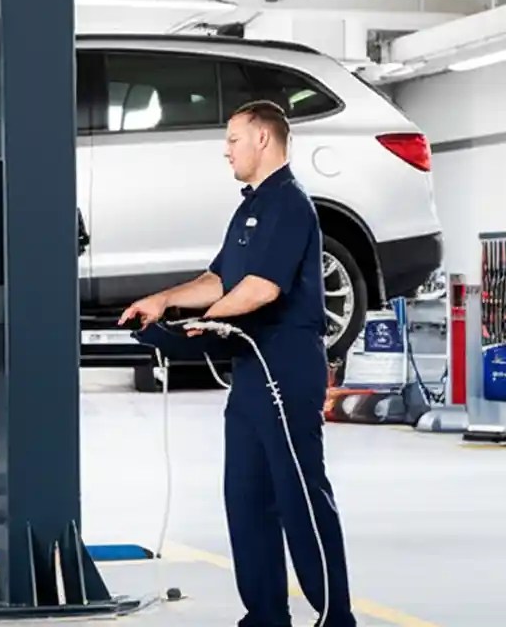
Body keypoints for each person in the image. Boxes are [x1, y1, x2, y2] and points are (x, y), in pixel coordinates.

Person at [119, 100, 356, 627]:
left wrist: (208, 321)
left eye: (233, 138)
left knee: (299, 493)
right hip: (251, 371)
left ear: (263, 140)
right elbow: (220, 281)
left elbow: (261, 288)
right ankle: (266, 616)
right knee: (246, 497)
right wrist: (165, 302)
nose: (226, 149)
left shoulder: (291, 205)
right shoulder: (251, 208)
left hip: (286, 365)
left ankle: (333, 616)